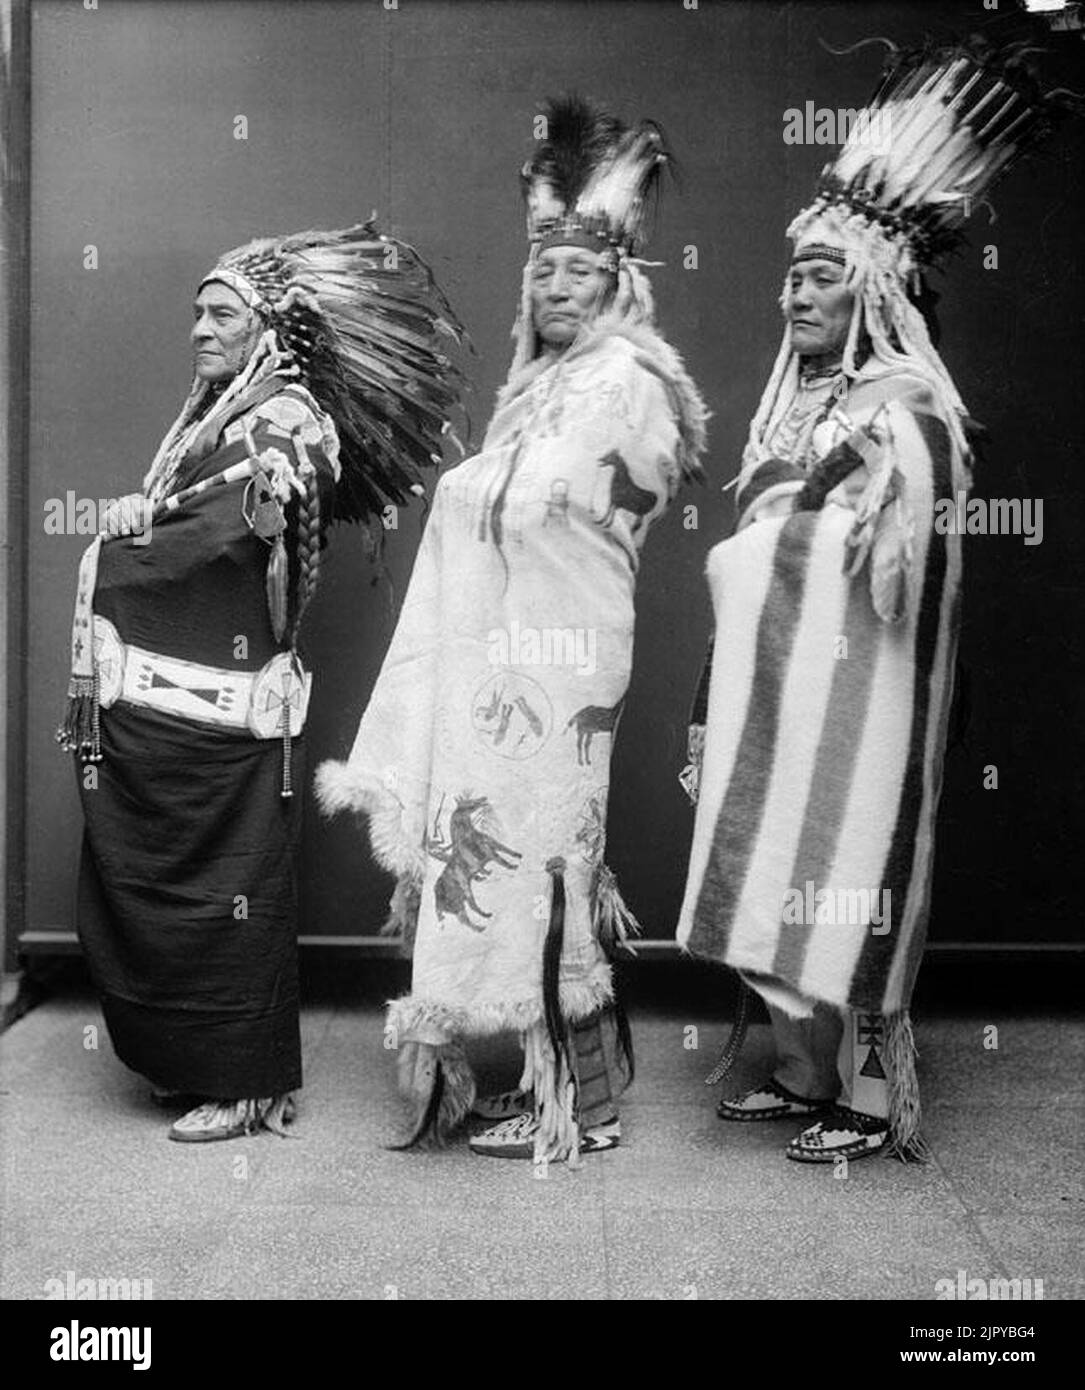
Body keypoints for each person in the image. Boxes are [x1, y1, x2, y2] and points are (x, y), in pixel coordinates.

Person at [676, 40, 1066, 1162]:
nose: (793, 293)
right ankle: (800, 1069)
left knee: (844, 873)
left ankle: (860, 1086)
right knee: (771, 863)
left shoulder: (909, 410)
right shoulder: (796, 411)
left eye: (820, 275)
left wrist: (752, 556)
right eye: (790, 275)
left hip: (861, 704)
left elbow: (881, 563)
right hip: (776, 697)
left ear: (878, 288)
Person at [318, 97, 708, 1164]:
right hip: (505, 667)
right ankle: (562, 1081)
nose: (550, 285)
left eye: (576, 272)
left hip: (560, 661)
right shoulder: (535, 390)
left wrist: (473, 486)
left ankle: (577, 1103)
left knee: (548, 854)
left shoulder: (629, 382)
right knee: (496, 844)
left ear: (619, 284)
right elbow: (505, 495)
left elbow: (563, 508)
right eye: (540, 271)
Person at [58, 222, 463, 1142]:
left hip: (230, 720)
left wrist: (135, 543)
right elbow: (181, 517)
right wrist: (137, 518)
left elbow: (242, 522)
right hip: (174, 714)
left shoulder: (287, 418)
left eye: (221, 315)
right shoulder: (213, 420)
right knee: (162, 883)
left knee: (226, 892)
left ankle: (245, 1083)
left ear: (269, 332)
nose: (199, 330)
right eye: (196, 314)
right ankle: (188, 1062)